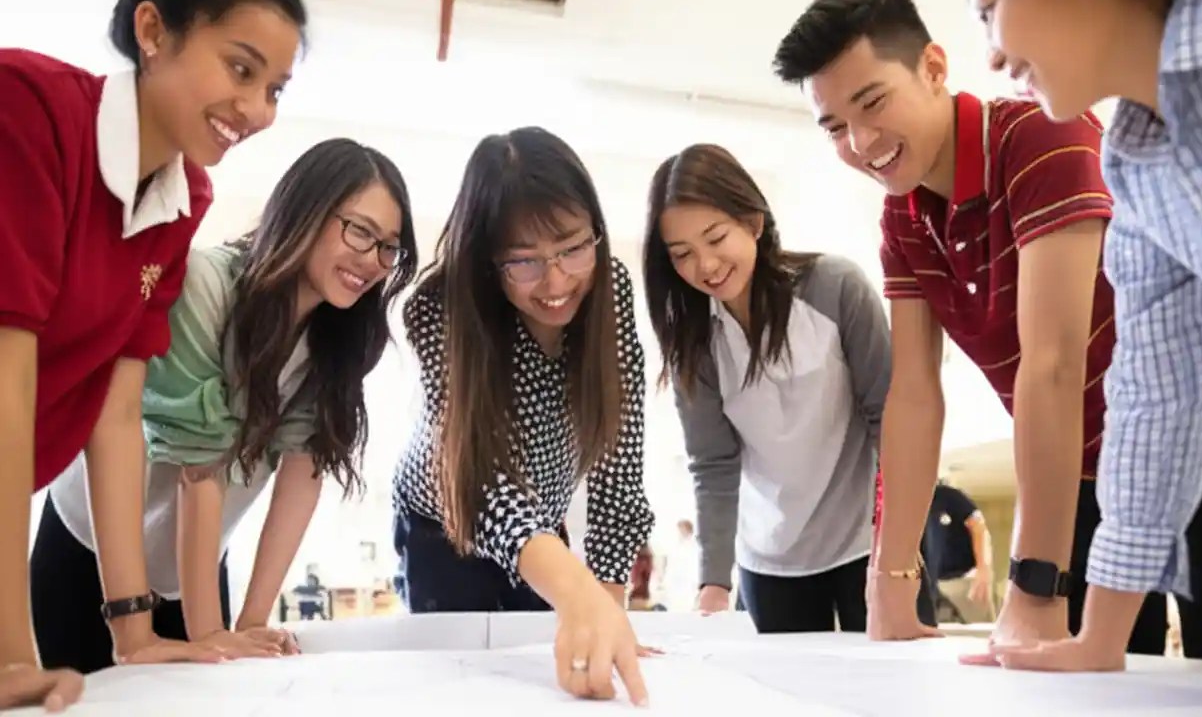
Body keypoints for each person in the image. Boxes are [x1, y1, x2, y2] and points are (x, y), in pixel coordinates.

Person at [772, 0, 1202, 665]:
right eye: (835, 125)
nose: (861, 143)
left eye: (872, 102)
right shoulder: (1130, 158)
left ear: (930, 69)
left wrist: (1036, 584)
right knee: (1116, 680)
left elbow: (1052, 365)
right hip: (1107, 466)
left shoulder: (1049, 133)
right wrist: (891, 576)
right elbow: (918, 398)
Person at [0, 0, 305, 708]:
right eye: (241, 67)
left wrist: (133, 630)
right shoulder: (30, 109)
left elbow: (117, 411)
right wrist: (14, 653)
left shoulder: (185, 196)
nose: (257, 109)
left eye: (275, 90)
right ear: (153, 30)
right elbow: (7, 380)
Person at [966, 0, 1202, 670]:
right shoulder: (1137, 176)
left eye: (989, 8)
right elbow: (1154, 402)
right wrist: (1098, 642)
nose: (992, 53)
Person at [34, 138, 417, 673]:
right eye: (359, 230)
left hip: (191, 564)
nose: (372, 260)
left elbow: (302, 477)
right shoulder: (207, 287)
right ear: (306, 209)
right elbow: (200, 470)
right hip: (90, 553)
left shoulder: (334, 340)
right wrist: (210, 633)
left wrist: (253, 619)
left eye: (388, 248)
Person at [391, 126, 654, 704]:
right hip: (447, 526)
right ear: (488, 261)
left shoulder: (610, 290)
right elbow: (477, 476)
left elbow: (619, 459)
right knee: (465, 688)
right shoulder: (440, 310)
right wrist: (575, 590)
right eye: (525, 262)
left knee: (550, 680)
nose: (557, 282)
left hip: (545, 527)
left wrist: (607, 606)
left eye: (572, 249)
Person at [644, 143, 907, 633]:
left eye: (716, 237)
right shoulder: (694, 345)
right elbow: (714, 465)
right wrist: (714, 583)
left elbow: (889, 419)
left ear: (754, 221)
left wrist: (897, 548)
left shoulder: (835, 288)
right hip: (771, 563)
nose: (705, 265)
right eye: (682, 255)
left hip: (868, 545)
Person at [924, 483, 994, 624]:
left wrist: (983, 568)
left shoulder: (944, 495)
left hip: (965, 580)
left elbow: (978, 524)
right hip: (930, 582)